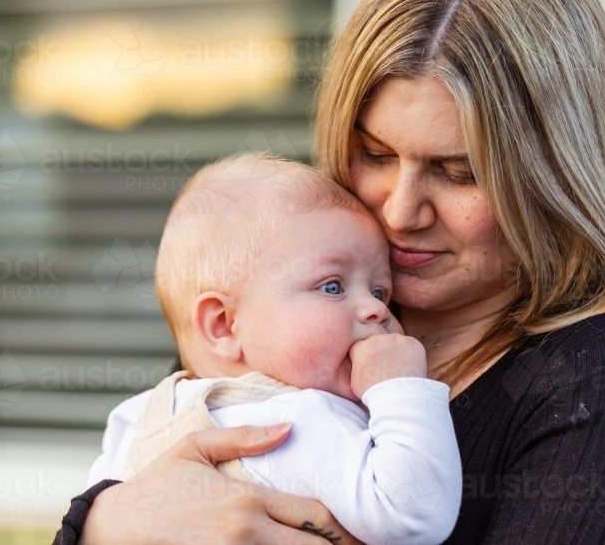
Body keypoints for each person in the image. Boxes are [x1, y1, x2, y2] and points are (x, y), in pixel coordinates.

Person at [58, 0, 605, 545]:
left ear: (554, 175)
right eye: (377, 155)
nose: (399, 212)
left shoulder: (603, 379)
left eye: (458, 172)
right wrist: (105, 524)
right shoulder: (283, 302)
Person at [82, 153, 462, 545]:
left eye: (381, 290)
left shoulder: (138, 416)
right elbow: (416, 517)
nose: (376, 309)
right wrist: (400, 391)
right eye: (332, 286)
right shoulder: (306, 420)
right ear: (224, 325)